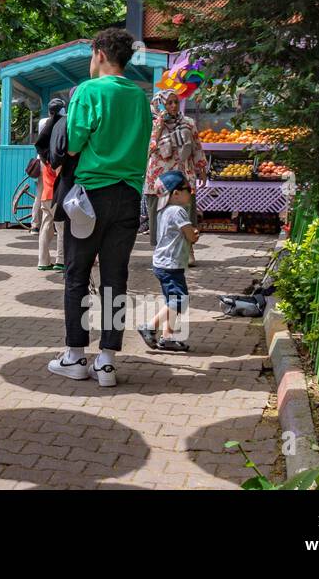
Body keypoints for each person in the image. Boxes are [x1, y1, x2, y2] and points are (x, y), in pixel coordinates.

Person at [47, 28, 151, 389]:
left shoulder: (89, 91)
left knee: (76, 275)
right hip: (128, 196)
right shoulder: (140, 97)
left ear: (100, 53)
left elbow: (72, 145)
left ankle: (74, 356)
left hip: (90, 195)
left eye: (92, 55)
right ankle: (107, 361)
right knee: (115, 278)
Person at [138, 170, 198, 352]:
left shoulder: (163, 211)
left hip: (163, 263)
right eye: (188, 188)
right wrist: (195, 235)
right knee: (180, 300)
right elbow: (190, 235)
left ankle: (168, 337)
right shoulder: (178, 211)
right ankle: (149, 326)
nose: (191, 192)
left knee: (172, 300)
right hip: (171, 264)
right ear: (176, 193)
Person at [145, 88, 207, 246]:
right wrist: (159, 126)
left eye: (176, 102)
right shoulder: (151, 123)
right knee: (157, 211)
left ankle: (188, 249)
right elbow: (149, 148)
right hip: (159, 173)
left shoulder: (188, 122)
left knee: (186, 209)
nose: (173, 106)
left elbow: (196, 147)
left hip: (182, 171)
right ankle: (160, 248)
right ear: (160, 104)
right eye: (169, 103)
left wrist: (202, 170)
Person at [34, 96, 66, 272]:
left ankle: (43, 261)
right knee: (61, 226)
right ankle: (60, 260)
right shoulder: (59, 148)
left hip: (46, 193)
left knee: (46, 225)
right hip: (59, 193)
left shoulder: (43, 155)